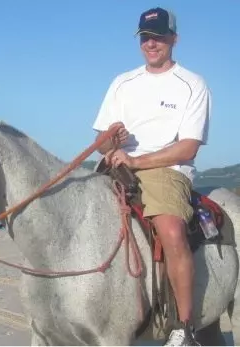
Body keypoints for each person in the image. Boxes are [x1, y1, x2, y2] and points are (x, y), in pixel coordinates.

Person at [92, 7, 210, 346]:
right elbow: (100, 143)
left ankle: (184, 328)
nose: (151, 43)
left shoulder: (192, 84)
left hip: (167, 171)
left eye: (158, 36)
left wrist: (137, 159)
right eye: (145, 37)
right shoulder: (122, 83)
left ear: (174, 38)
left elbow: (188, 148)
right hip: (119, 165)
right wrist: (110, 140)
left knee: (171, 229)